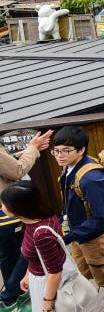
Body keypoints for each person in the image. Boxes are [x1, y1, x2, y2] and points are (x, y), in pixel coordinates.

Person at [52, 125, 104, 287]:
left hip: (95, 237)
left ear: (81, 150)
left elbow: (101, 219)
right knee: (78, 274)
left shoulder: (91, 179)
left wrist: (67, 237)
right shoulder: (69, 167)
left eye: (66, 151)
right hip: (79, 232)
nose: (59, 156)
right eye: (56, 151)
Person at [0, 130, 52, 311]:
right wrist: (32, 149)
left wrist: (18, 155)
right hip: (6, 212)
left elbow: (6, 164)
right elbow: (17, 170)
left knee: (8, 255)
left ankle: (12, 298)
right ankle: (10, 297)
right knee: (27, 252)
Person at [0, 181, 65, 312]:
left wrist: (47, 303)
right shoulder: (35, 220)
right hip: (37, 276)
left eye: (4, 204)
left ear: (18, 207)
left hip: (46, 283)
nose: (2, 208)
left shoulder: (41, 234)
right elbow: (36, 255)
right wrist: (28, 274)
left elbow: (55, 272)